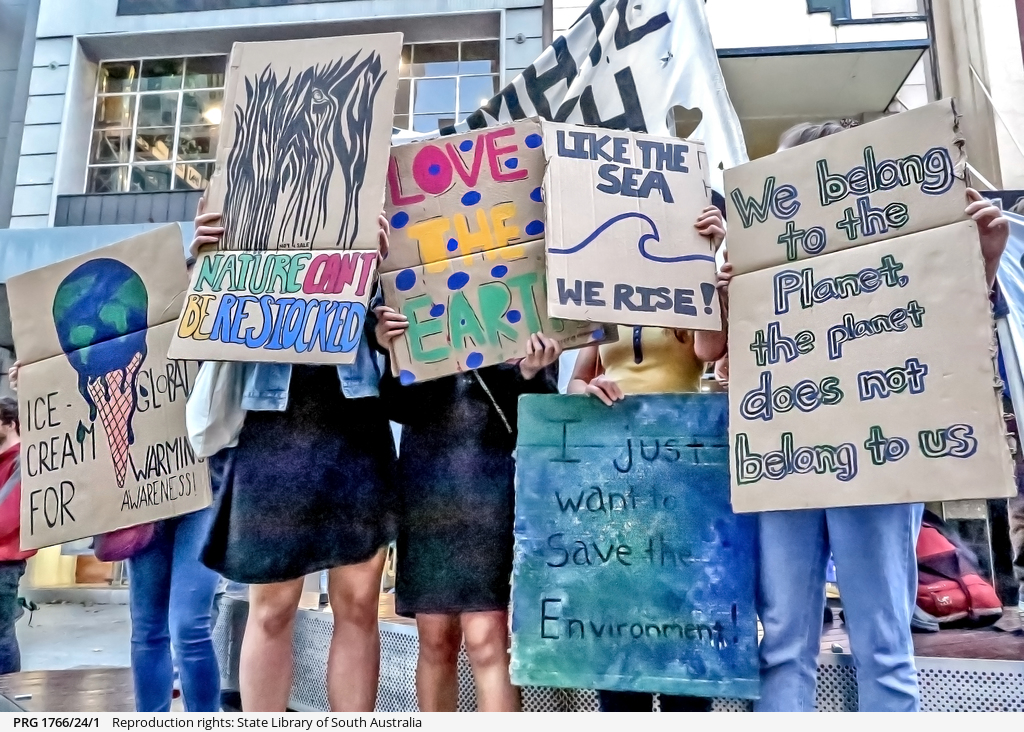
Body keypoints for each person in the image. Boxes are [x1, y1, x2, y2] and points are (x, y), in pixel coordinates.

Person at [754, 120, 1009, 713]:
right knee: (786, 642)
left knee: (883, 643)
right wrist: (729, 296)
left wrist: (983, 263)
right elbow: (732, 361)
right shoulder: (759, 263)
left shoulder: (900, 254)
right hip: (782, 456)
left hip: (875, 458)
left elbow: (947, 342)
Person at [190, 202, 397, 713]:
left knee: (358, 606)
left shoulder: (375, 200)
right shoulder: (250, 197)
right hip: (273, 428)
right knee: (272, 607)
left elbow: (404, 324)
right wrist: (205, 262)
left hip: (356, 425)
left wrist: (384, 273)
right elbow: (202, 325)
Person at [565, 205, 731, 712]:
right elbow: (575, 382)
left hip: (680, 468)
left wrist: (708, 263)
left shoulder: (690, 291)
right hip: (615, 471)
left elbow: (710, 351)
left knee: (681, 598)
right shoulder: (604, 299)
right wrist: (590, 389)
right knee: (619, 602)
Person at [375, 318, 562, 710]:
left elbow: (538, 414)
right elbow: (395, 405)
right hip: (426, 484)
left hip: (488, 484)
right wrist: (394, 351)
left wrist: (528, 372)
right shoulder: (413, 303)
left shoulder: (522, 302)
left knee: (486, 637)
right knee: (435, 637)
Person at [0, 396, 34, 674]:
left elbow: (7, 518)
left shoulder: (23, 460)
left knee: (1, 634)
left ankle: (9, 692)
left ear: (10, 424)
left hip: (5, 561)